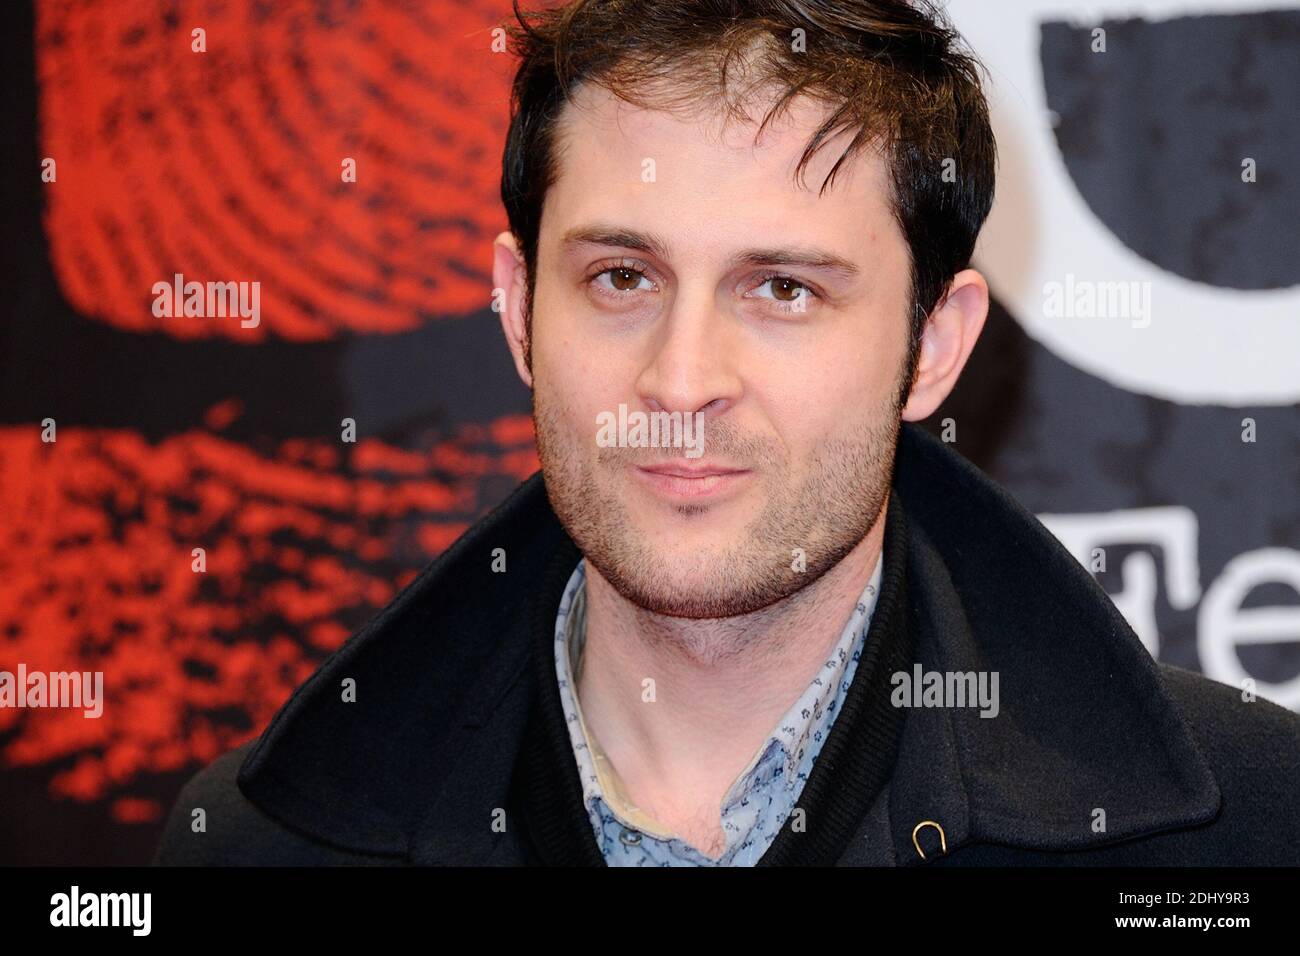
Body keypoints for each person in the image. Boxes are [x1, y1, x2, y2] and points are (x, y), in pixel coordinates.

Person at [155, 0, 1300, 866]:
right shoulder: (255, 843)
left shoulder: (1242, 830)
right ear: (517, 313)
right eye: (619, 276)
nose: (683, 377)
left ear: (932, 347)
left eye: (783, 289)